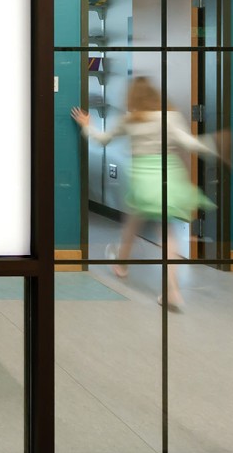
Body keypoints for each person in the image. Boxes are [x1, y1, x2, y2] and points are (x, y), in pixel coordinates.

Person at [71, 77, 224, 311]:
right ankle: (172, 290)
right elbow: (190, 144)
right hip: (169, 179)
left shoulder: (130, 120)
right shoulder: (170, 117)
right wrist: (215, 147)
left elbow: (102, 140)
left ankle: (122, 265)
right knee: (168, 235)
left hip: (143, 181)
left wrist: (86, 124)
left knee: (132, 225)